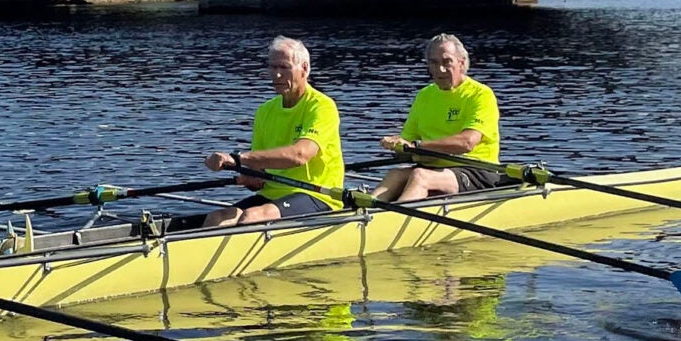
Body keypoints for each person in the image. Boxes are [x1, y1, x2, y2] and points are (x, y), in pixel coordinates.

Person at [202, 36, 345, 225]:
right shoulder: (265, 111)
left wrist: (237, 158)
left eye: (284, 68)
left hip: (317, 194)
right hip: (273, 195)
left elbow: (300, 155)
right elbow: (257, 169)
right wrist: (250, 178)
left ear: (304, 69)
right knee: (217, 218)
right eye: (273, 67)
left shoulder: (322, 106)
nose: (276, 75)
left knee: (252, 217)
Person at [378, 33, 500, 202]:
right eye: (434, 63)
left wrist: (417, 146)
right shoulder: (425, 95)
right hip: (433, 166)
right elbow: (409, 141)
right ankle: (355, 218)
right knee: (395, 174)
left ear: (461, 62)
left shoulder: (481, 95)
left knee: (420, 176)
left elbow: (467, 143)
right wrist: (397, 146)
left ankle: (391, 222)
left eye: (446, 62)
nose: (440, 69)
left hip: (476, 169)